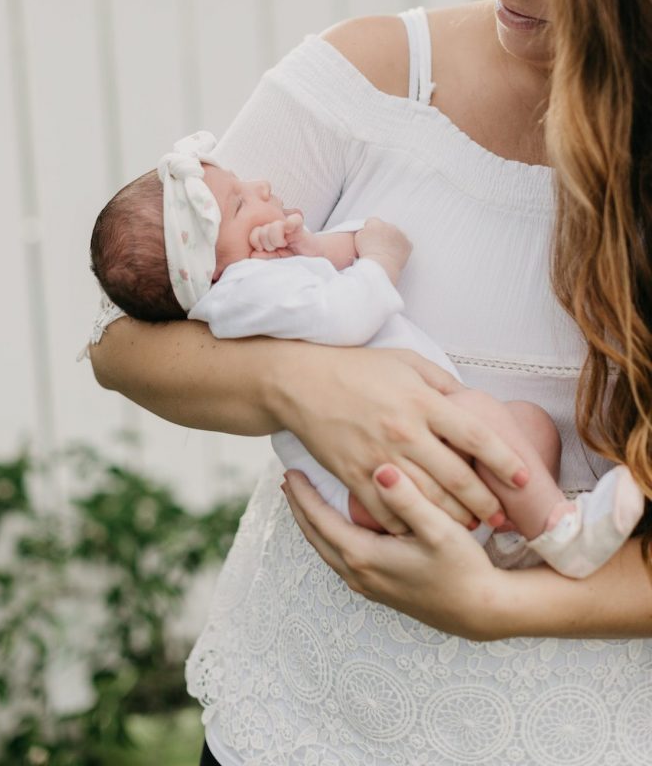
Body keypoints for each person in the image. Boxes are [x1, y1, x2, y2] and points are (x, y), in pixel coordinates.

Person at [88, 0, 652, 766]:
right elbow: (123, 341)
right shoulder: (372, 80)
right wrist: (307, 386)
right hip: (301, 725)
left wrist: (493, 607)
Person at [88, 132, 643, 577]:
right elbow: (347, 316)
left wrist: (316, 247)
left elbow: (344, 252)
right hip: (373, 480)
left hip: (409, 453)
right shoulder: (240, 294)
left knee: (529, 427)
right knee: (489, 422)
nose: (259, 187)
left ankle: (515, 536)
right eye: (239, 202)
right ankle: (561, 530)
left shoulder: (262, 282)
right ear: (208, 268)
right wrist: (379, 263)